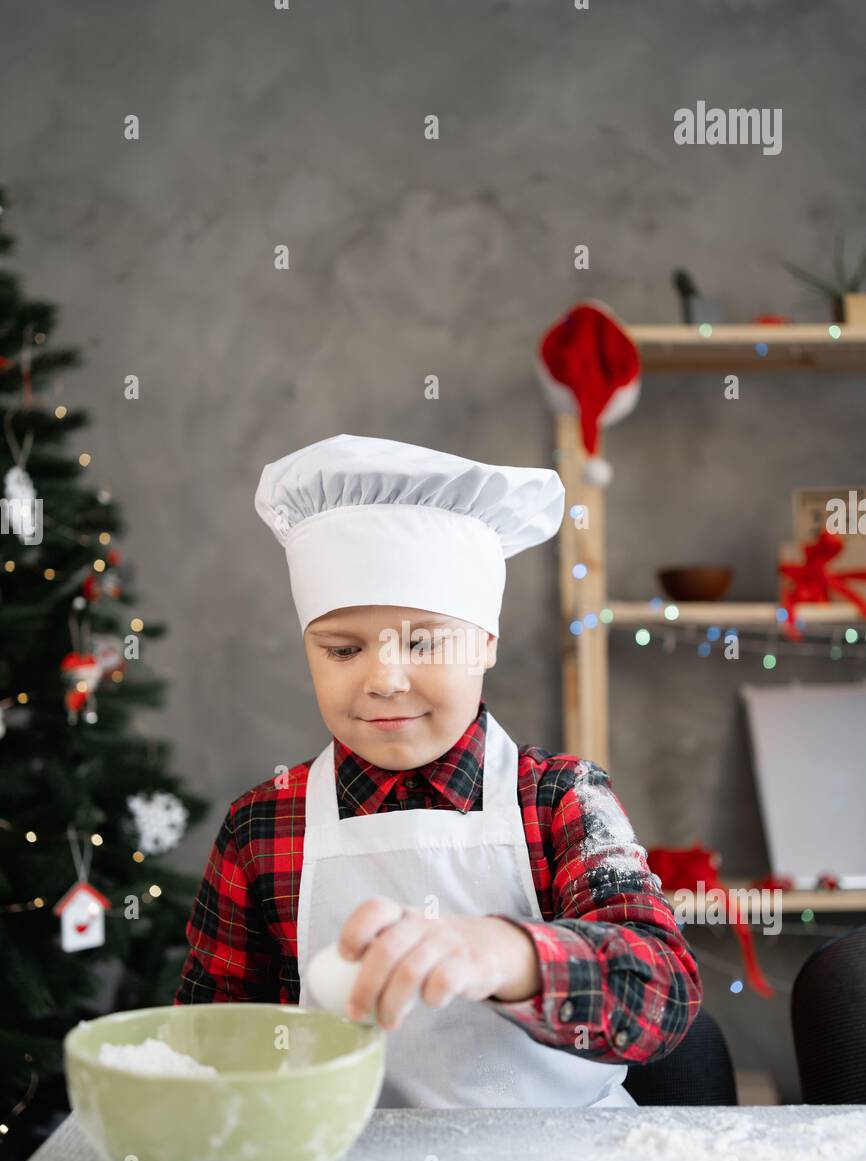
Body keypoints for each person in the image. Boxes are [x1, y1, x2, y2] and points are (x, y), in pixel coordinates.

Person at [174, 433, 702, 1108]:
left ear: (486, 642)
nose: (385, 679)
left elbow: (662, 994)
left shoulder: (561, 798)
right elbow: (210, 1039)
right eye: (342, 649)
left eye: (423, 641)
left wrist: (507, 954)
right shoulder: (263, 824)